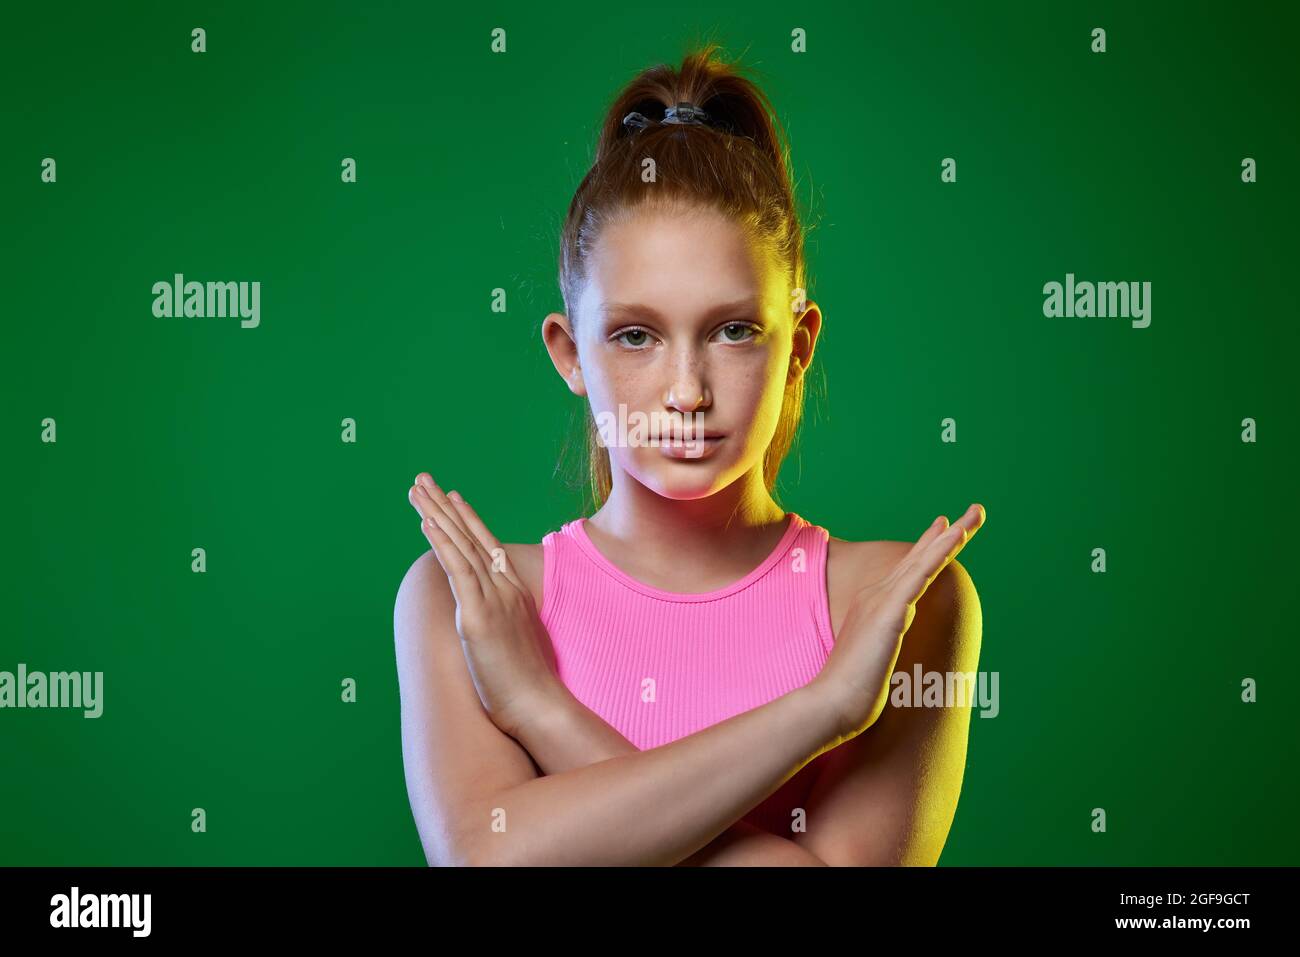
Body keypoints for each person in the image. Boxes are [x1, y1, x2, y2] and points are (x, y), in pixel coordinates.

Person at [394, 44, 986, 866]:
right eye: (635, 335)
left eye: (733, 330)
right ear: (570, 355)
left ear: (800, 343)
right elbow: (489, 861)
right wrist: (820, 709)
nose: (686, 391)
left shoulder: (897, 602)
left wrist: (540, 709)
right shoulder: (466, 600)